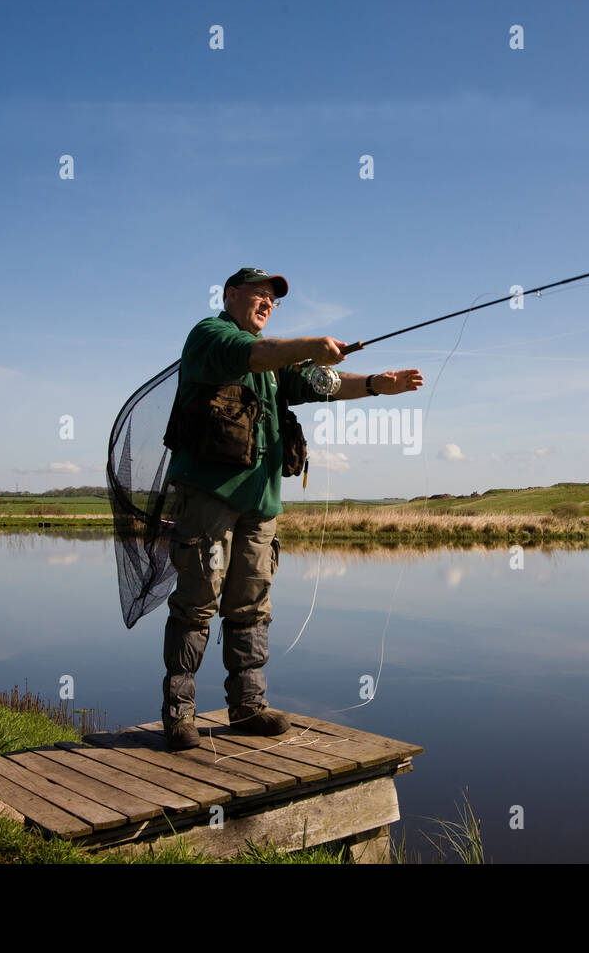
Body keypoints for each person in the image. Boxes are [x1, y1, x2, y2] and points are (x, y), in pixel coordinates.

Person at [160, 267, 424, 750]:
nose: (267, 303)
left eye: (273, 299)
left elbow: (322, 383)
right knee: (197, 600)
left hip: (261, 505)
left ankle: (247, 707)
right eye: (259, 294)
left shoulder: (279, 363)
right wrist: (309, 344)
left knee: (252, 604)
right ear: (231, 295)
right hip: (209, 499)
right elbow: (258, 354)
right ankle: (179, 712)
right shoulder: (211, 336)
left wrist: (376, 385)